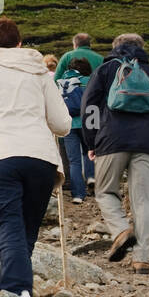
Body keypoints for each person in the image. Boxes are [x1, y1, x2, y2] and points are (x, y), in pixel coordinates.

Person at [0, 18, 71, 297]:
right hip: (41, 160)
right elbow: (62, 124)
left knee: (7, 226)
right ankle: (20, 290)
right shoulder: (40, 72)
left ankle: (16, 293)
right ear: (19, 44)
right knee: (26, 229)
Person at [81, 33, 149, 275]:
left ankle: (122, 230)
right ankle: (142, 260)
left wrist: (91, 141)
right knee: (145, 201)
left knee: (104, 191)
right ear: (142, 48)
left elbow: (89, 106)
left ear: (114, 48)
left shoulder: (104, 70)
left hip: (110, 141)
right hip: (147, 143)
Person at [57, 57, 92, 204]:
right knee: (89, 152)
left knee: (73, 161)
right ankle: (91, 178)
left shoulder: (60, 82)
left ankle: (78, 194)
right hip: (86, 122)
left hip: (68, 125)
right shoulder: (88, 80)